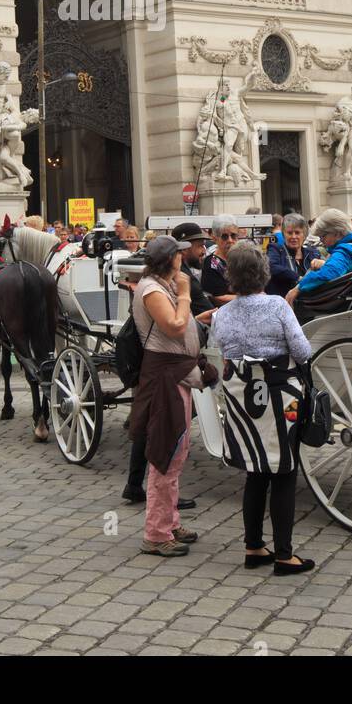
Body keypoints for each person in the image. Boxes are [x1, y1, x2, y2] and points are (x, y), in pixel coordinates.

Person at [210, 242, 315, 576]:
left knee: (256, 471)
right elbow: (302, 350)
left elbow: (222, 349)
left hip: (241, 396)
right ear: (263, 273)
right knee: (283, 470)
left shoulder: (222, 314)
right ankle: (284, 554)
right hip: (278, 393)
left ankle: (254, 546)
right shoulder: (277, 306)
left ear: (232, 276)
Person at [129, 236, 208, 556]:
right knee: (165, 450)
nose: (183, 257)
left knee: (177, 450)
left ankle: (169, 521)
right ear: (169, 259)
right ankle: (156, 533)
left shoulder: (165, 284)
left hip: (178, 374)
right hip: (164, 377)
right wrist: (187, 294)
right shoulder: (151, 289)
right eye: (178, 253)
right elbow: (174, 326)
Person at [289, 210, 352, 303]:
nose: (321, 240)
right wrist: (326, 263)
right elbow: (349, 266)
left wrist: (298, 288)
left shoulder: (344, 250)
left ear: (337, 233)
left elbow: (329, 273)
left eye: (323, 236)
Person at [201, 215, 240, 304]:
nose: (230, 240)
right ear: (215, 238)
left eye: (233, 235)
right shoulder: (211, 263)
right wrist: (248, 297)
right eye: (224, 236)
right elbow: (217, 297)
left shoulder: (242, 258)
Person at [266, 215, 298, 295]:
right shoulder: (274, 248)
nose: (294, 237)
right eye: (290, 233)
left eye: (297, 233)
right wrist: (298, 277)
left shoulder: (312, 252)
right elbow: (272, 266)